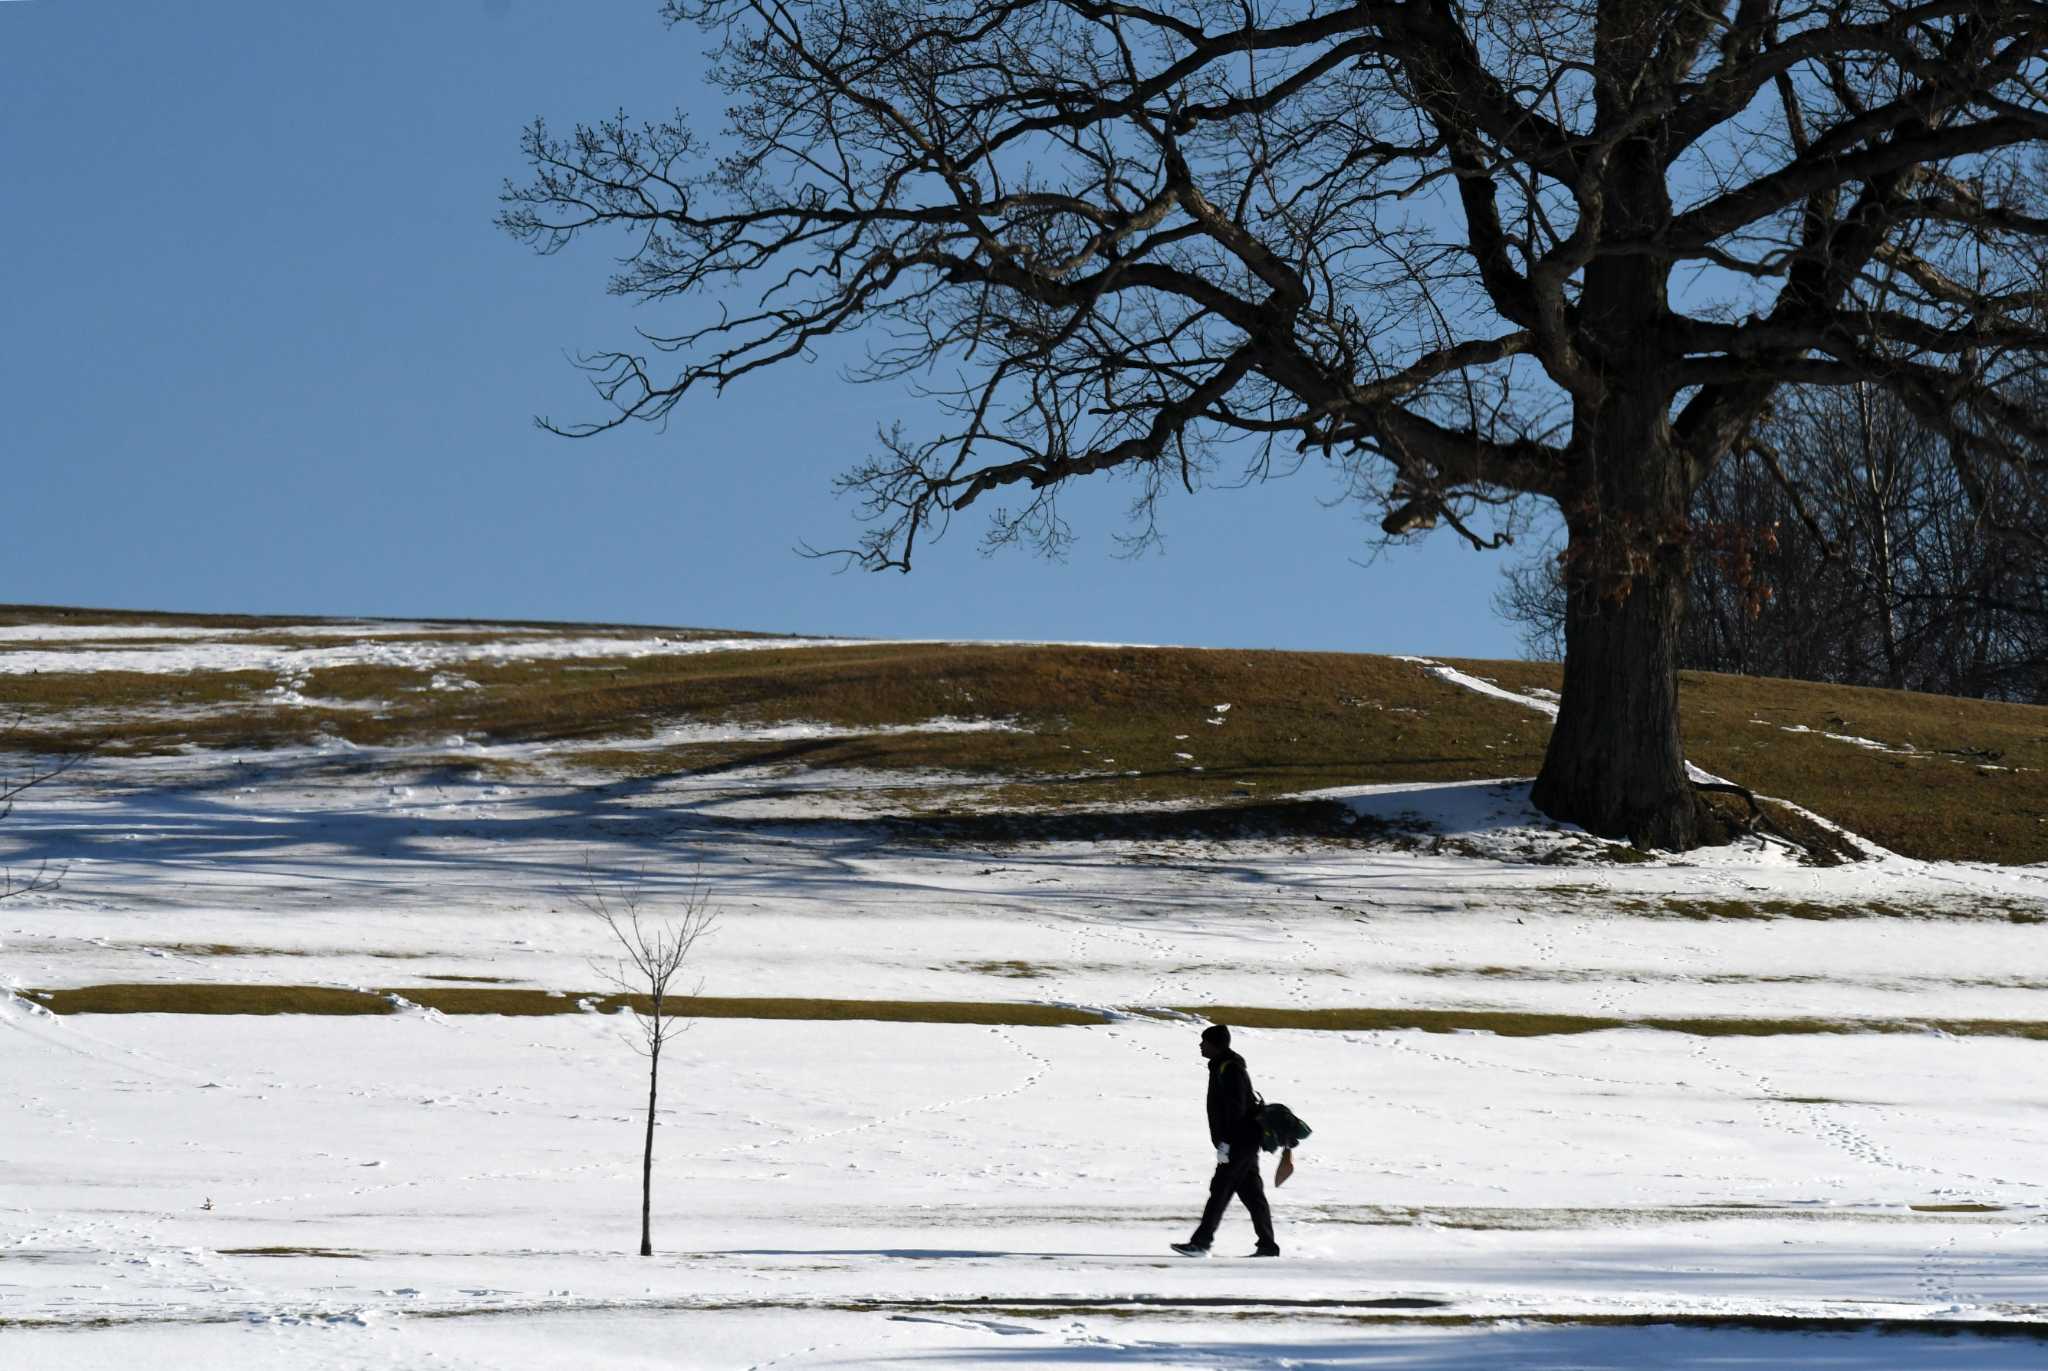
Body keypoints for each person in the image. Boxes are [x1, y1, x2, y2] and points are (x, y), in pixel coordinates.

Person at [1171, 1023, 1280, 1257]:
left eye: (1204, 1042)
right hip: (1243, 1141)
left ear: (1215, 1045)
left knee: (1220, 1190)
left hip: (1240, 1141)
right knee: (1253, 1195)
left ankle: (1201, 1243)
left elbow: (1236, 1110)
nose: (1201, 1045)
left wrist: (1227, 1143)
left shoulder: (1230, 1069)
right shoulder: (1222, 1066)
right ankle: (1268, 1246)